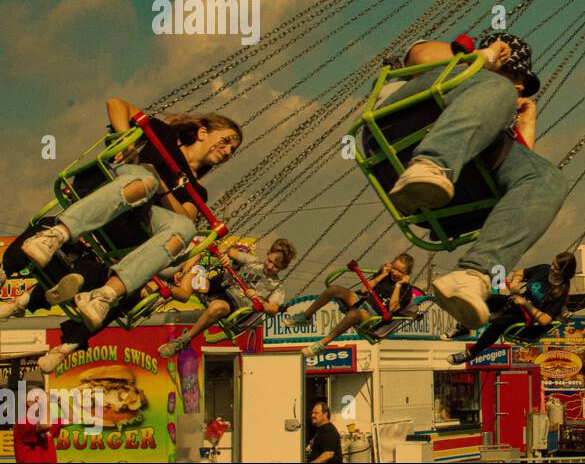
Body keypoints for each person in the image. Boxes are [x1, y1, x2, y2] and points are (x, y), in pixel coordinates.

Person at [19, 104, 242, 373]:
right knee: (143, 178)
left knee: (183, 229)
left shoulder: (197, 190)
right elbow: (117, 103)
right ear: (204, 132)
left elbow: (186, 214)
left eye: (233, 150)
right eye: (227, 140)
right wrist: (126, 141)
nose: (228, 150)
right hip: (114, 188)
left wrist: (163, 185)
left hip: (135, 222)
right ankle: (57, 234)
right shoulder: (164, 136)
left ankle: (104, 296)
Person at [382, 33, 565, 332]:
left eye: (522, 79)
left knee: (548, 178)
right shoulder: (472, 70)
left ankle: (472, 274)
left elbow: (518, 187)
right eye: (514, 72)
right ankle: (431, 163)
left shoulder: (490, 108)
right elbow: (420, 57)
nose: (520, 85)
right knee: (497, 90)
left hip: (459, 184)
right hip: (403, 125)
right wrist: (489, 59)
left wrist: (526, 124)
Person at [157, 238, 297, 358]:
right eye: (269, 260)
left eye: (275, 266)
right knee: (196, 265)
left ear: (283, 268)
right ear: (267, 254)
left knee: (218, 307)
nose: (270, 266)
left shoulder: (276, 287)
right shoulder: (253, 261)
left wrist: (259, 300)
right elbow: (229, 250)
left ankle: (182, 341)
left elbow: (273, 309)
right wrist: (224, 255)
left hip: (234, 306)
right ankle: (161, 295)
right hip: (220, 286)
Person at [447, 252, 577, 365]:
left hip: (526, 317)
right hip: (515, 302)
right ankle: (464, 327)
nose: (551, 267)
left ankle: (470, 353)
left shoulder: (560, 292)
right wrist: (515, 284)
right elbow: (521, 272)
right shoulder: (543, 269)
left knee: (500, 323)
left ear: (563, 272)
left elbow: (545, 320)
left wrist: (526, 304)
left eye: (555, 267)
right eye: (553, 263)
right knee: (488, 299)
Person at [294, 253, 416, 357]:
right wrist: (382, 275)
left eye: (400, 271)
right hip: (362, 301)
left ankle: (322, 343)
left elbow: (392, 308)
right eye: (394, 268)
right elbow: (363, 290)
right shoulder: (384, 274)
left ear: (407, 274)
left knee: (353, 314)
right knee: (333, 289)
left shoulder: (406, 290)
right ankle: (306, 316)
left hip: (374, 316)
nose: (395, 273)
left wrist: (399, 285)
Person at [13, 382, 62, 463]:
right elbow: (46, 425)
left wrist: (60, 402)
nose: (41, 403)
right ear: (29, 403)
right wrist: (46, 401)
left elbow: (72, 419)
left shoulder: (46, 420)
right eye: (38, 400)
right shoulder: (22, 423)